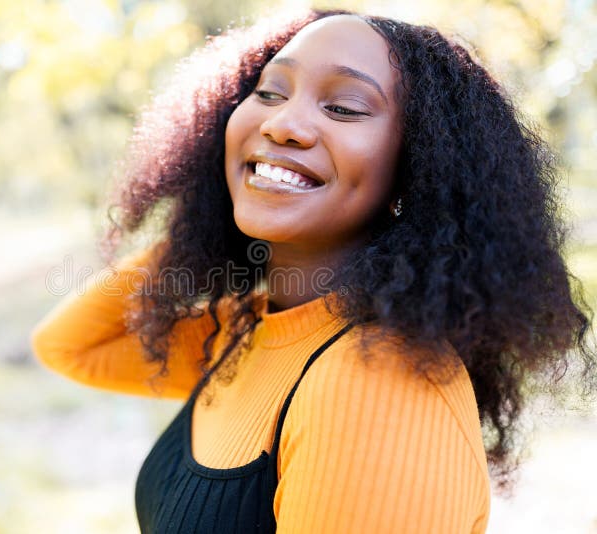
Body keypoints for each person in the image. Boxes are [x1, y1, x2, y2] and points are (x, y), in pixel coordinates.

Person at [30, 8, 596, 534]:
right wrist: (210, 218)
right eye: (269, 91)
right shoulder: (251, 327)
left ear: (417, 171)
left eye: (344, 107)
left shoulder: (379, 384)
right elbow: (71, 345)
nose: (282, 123)